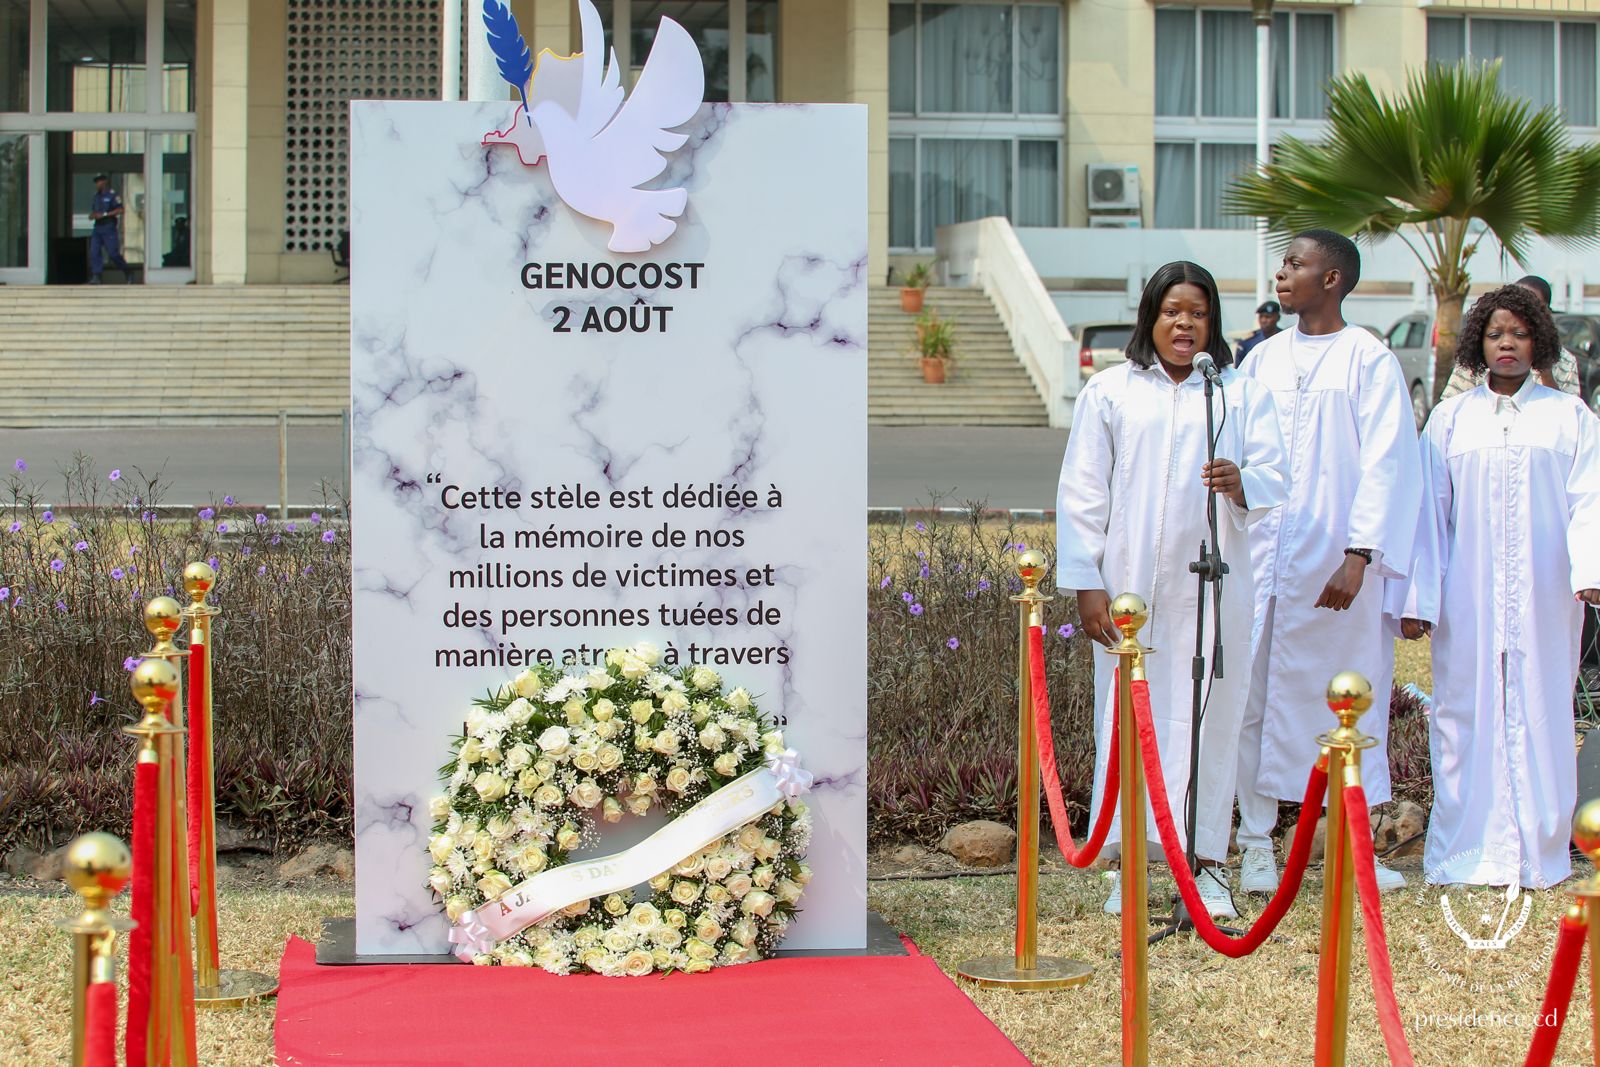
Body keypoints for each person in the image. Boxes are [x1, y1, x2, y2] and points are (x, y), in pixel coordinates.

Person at [1057, 261, 1288, 917]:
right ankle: (1131, 862)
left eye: (1198, 313)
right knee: (1130, 719)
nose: (1184, 324)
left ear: (1213, 324)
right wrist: (1085, 582)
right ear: (1150, 317)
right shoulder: (1111, 393)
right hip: (1132, 597)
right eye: (1172, 311)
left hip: (1215, 591)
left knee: (1212, 718)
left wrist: (1241, 480)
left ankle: (1208, 862)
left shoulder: (1239, 394)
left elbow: (1276, 474)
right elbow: (1082, 492)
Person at [1234, 229, 1423, 895]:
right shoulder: (1262, 359)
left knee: (1347, 701)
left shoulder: (1368, 359)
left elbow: (1388, 464)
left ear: (1333, 278)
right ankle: (1255, 843)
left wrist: (1358, 554)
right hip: (1263, 558)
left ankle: (1351, 846)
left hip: (1336, 567)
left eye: (1295, 265)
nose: (1281, 276)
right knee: (1250, 703)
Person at [1395, 284, 1600, 888]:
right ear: (1478, 344)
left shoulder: (1569, 418)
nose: (1506, 343)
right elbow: (1429, 514)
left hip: (1547, 590)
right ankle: (1467, 847)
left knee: (1543, 705)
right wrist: (1418, 599)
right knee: (1463, 708)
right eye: (1495, 334)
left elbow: (1590, 500)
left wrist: (1590, 572)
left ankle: (1540, 849)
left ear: (1538, 340)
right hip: (1470, 592)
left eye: (1518, 333)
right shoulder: (1451, 420)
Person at [1439, 276, 1581, 399]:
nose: (1506, 344)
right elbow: (1452, 406)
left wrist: (1546, 373)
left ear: (1546, 314)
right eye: (1512, 300)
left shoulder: (1566, 361)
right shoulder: (1480, 351)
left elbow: (1568, 416)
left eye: (1530, 307)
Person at [88, 173, 131, 284]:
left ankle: (127, 271)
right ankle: (96, 276)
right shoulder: (95, 196)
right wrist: (93, 215)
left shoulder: (112, 195)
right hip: (97, 227)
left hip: (109, 227)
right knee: (94, 252)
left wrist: (105, 214)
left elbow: (121, 210)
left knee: (113, 253)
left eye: (99, 181)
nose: (97, 184)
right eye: (96, 182)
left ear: (104, 181)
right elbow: (94, 211)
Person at [1234, 300, 1283, 366]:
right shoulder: (1248, 341)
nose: (1263, 320)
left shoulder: (1285, 338)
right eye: (1261, 317)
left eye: (1268, 317)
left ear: (1278, 317)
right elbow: (1239, 369)